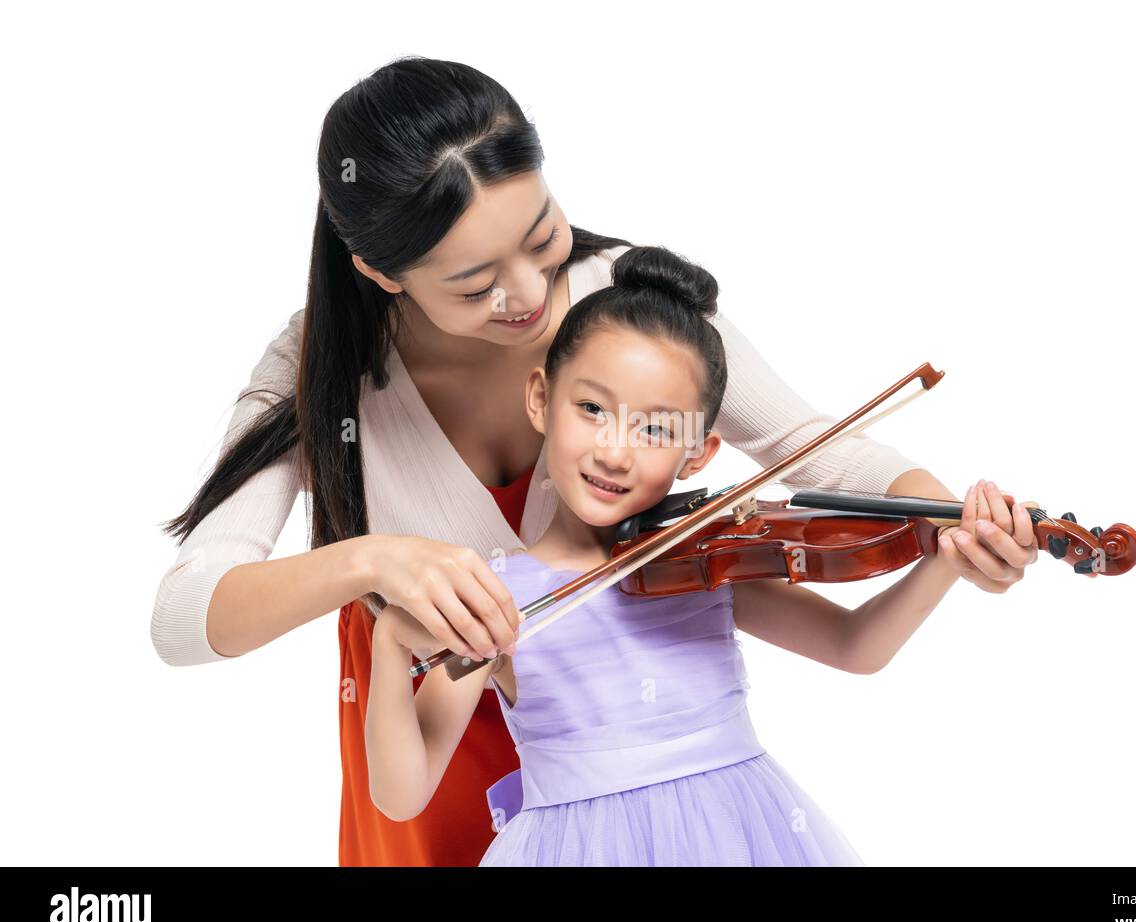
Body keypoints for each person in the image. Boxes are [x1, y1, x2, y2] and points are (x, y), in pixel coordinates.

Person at [153, 57, 1038, 867]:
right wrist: (374, 565)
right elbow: (185, 613)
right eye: (474, 284)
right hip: (433, 710)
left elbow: (826, 450)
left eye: (542, 235)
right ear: (381, 273)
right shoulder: (314, 363)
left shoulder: (635, 303)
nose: (532, 295)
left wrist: (954, 526)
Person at [365, 245, 1008, 865]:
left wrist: (949, 556)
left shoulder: (703, 564)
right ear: (540, 399)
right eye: (592, 408)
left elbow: (854, 646)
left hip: (740, 834)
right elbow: (402, 795)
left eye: (657, 429)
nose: (615, 452)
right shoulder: (495, 594)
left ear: (698, 454)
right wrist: (391, 642)